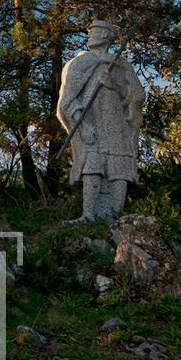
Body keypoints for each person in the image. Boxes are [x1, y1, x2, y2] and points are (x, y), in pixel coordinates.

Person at [57, 20, 145, 222]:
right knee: (92, 166)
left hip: (117, 126)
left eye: (95, 31)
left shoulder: (121, 65)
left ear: (107, 35)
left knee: (118, 168)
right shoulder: (80, 63)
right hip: (92, 123)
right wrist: (83, 124)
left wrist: (114, 85)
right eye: (90, 31)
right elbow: (68, 100)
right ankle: (88, 215)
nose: (90, 34)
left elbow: (136, 96)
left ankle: (114, 217)